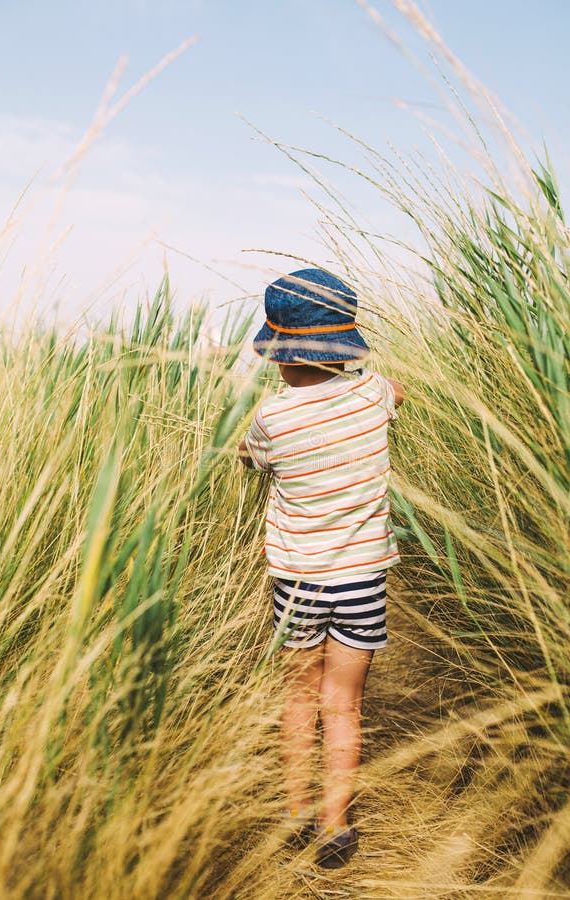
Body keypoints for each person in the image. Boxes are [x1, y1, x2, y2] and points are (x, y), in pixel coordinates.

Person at [238, 268, 404, 869]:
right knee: (344, 705)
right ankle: (335, 827)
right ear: (344, 345)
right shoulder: (374, 394)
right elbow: (398, 393)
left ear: (280, 355)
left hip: (298, 582)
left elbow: (251, 457)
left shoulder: (272, 420)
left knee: (298, 698)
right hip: (362, 580)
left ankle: (294, 814)